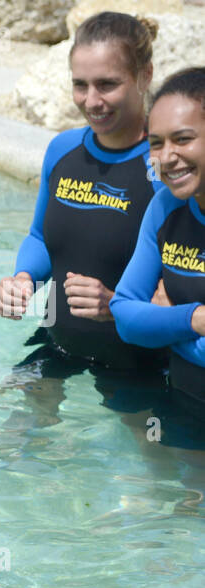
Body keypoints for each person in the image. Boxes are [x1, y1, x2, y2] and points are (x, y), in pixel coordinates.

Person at [0, 12, 167, 394]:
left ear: (145, 75)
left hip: (139, 360)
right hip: (58, 342)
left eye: (107, 84)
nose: (92, 101)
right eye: (80, 85)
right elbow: (40, 236)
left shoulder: (166, 168)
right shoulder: (63, 150)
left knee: (150, 453)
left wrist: (116, 306)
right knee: (9, 443)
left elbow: (181, 282)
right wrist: (23, 278)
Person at [112, 67, 205, 421]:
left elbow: (143, 323)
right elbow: (125, 318)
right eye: (156, 142)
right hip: (184, 403)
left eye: (182, 139)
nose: (166, 157)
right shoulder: (165, 207)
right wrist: (193, 318)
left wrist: (164, 322)